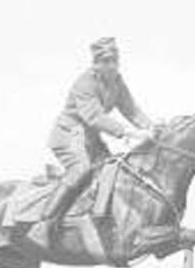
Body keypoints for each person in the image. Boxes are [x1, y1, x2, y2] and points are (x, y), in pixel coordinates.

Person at [42, 37, 155, 234]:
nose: (112, 65)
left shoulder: (117, 81)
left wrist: (152, 129)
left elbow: (131, 110)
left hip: (90, 139)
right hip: (70, 135)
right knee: (82, 169)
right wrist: (130, 133)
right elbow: (94, 117)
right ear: (95, 64)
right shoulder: (84, 83)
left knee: (111, 170)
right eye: (105, 61)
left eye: (114, 60)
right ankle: (46, 223)